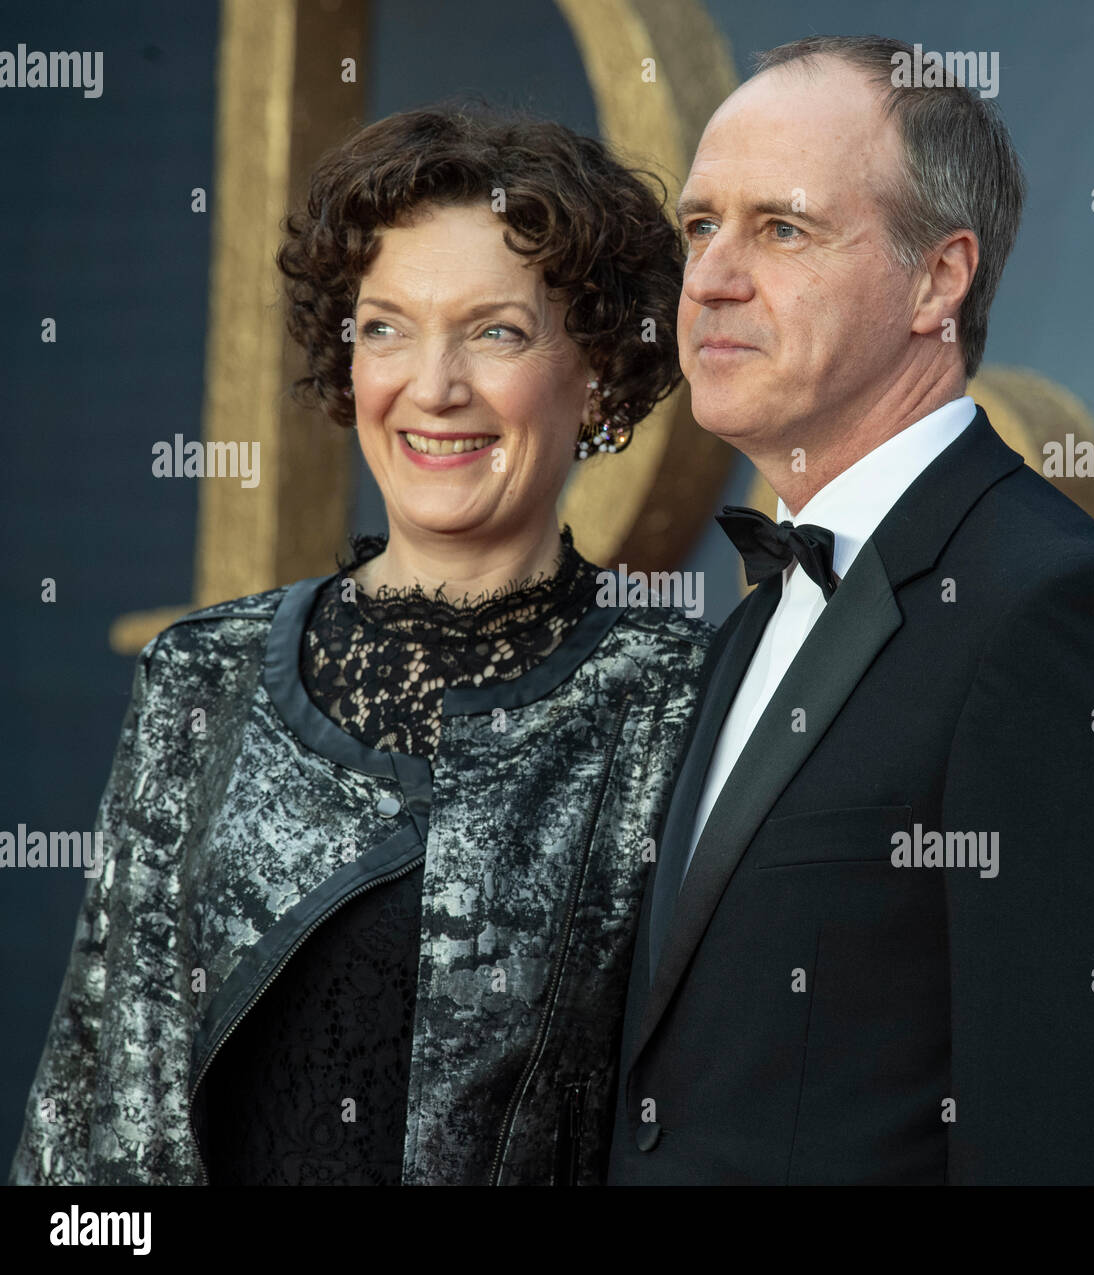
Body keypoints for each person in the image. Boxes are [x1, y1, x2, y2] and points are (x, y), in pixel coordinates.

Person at [9, 105, 712, 1186]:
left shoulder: (680, 704)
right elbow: (84, 1127)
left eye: (497, 332)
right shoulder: (204, 673)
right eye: (386, 327)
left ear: (602, 373)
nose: (432, 388)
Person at [608, 35, 1094, 1185]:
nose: (709, 279)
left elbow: (1090, 1149)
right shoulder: (750, 623)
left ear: (937, 278)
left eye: (781, 229)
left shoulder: (1060, 622)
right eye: (699, 227)